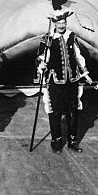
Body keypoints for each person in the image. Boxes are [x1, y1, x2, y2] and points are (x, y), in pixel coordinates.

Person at [37, 8, 92, 153]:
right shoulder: (47, 39)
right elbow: (41, 57)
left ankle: (72, 141)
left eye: (64, 22)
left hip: (72, 80)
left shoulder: (71, 36)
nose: (62, 25)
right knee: (55, 112)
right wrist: (41, 64)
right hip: (56, 81)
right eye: (59, 23)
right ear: (54, 23)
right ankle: (56, 141)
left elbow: (78, 56)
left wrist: (85, 72)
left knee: (72, 111)